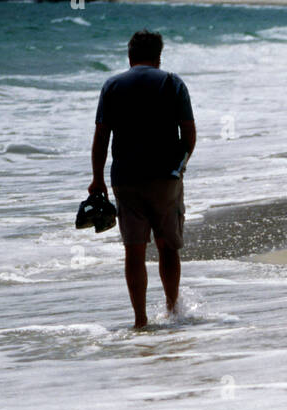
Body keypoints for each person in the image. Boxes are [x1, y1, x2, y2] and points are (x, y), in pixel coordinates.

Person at [89, 30, 196, 329]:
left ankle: (140, 321)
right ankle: (173, 309)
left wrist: (97, 179)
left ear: (129, 56)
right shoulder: (172, 83)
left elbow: (101, 138)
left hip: (126, 179)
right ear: (159, 56)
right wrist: (180, 166)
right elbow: (189, 134)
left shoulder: (111, 86)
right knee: (167, 246)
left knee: (134, 250)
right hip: (165, 179)